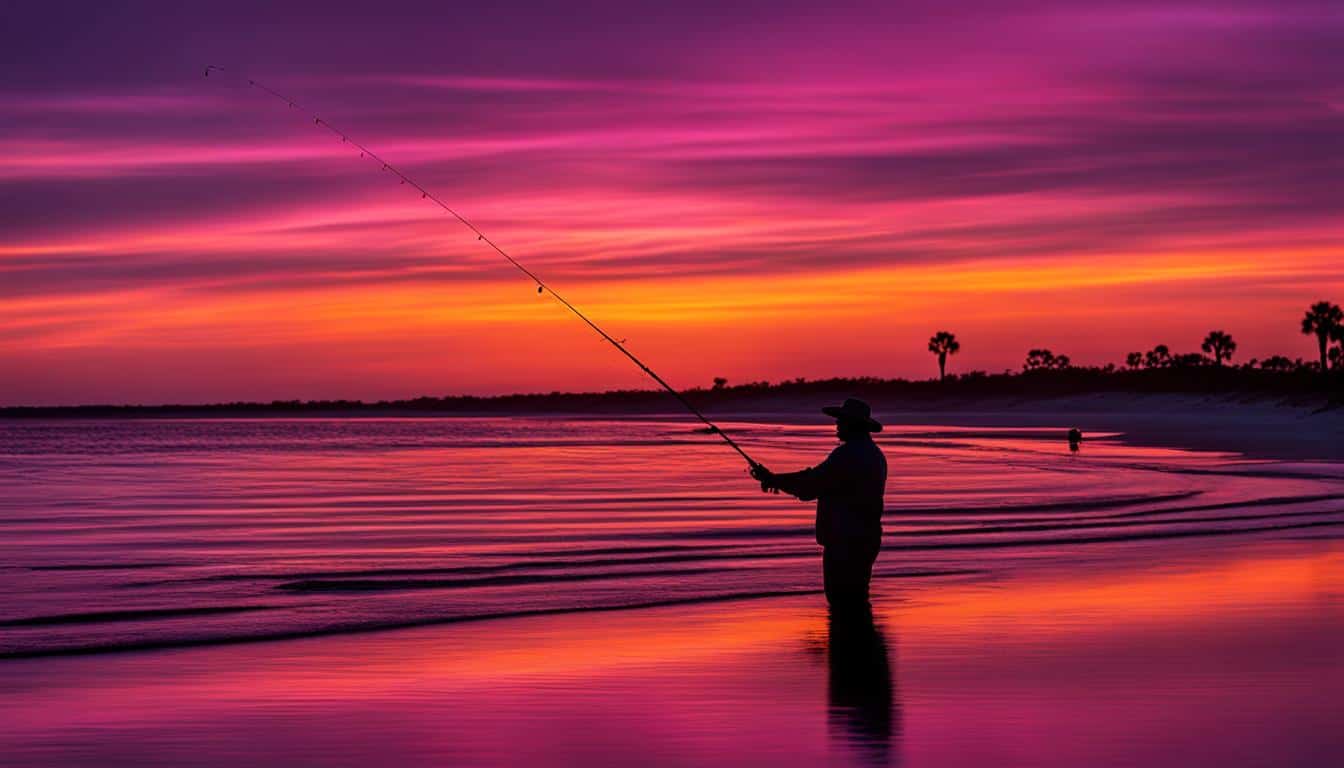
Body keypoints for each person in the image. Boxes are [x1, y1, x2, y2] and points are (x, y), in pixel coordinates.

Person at [751, 398, 888, 611]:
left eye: (841, 421)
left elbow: (811, 484)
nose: (837, 425)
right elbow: (814, 481)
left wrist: (773, 480)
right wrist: (775, 479)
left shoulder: (847, 455)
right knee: (856, 599)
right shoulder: (875, 455)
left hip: (846, 541)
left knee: (842, 601)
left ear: (852, 424)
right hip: (866, 538)